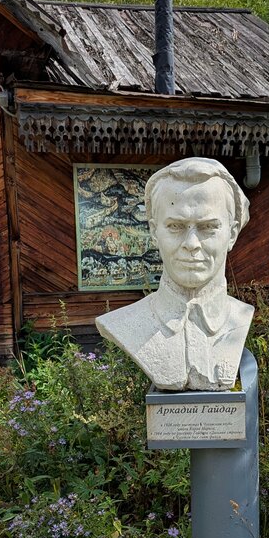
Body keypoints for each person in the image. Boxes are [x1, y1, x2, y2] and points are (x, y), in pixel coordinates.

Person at [95, 157, 253, 390]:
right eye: (175, 226)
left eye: (208, 227)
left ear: (232, 234)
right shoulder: (122, 324)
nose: (191, 243)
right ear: (154, 232)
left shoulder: (240, 318)